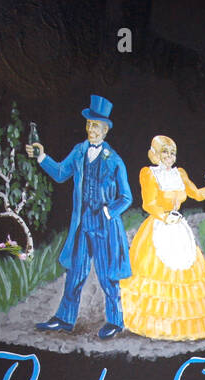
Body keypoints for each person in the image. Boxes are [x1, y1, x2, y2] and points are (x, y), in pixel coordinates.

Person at [25, 95, 132, 339]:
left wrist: (108, 211)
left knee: (108, 276)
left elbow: (126, 197)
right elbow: (62, 173)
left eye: (96, 126)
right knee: (75, 271)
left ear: (105, 130)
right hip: (83, 223)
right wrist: (42, 156)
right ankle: (64, 318)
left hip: (105, 227)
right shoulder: (79, 151)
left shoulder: (114, 160)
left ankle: (115, 321)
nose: (91, 130)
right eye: (89, 125)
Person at [121, 134, 205, 341]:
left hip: (178, 227)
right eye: (165, 152)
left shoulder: (180, 173)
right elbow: (149, 203)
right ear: (155, 154)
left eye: (172, 153)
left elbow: (196, 193)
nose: (169, 156)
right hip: (159, 225)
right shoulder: (149, 173)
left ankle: (181, 325)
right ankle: (158, 324)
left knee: (187, 270)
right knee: (156, 274)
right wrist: (164, 216)